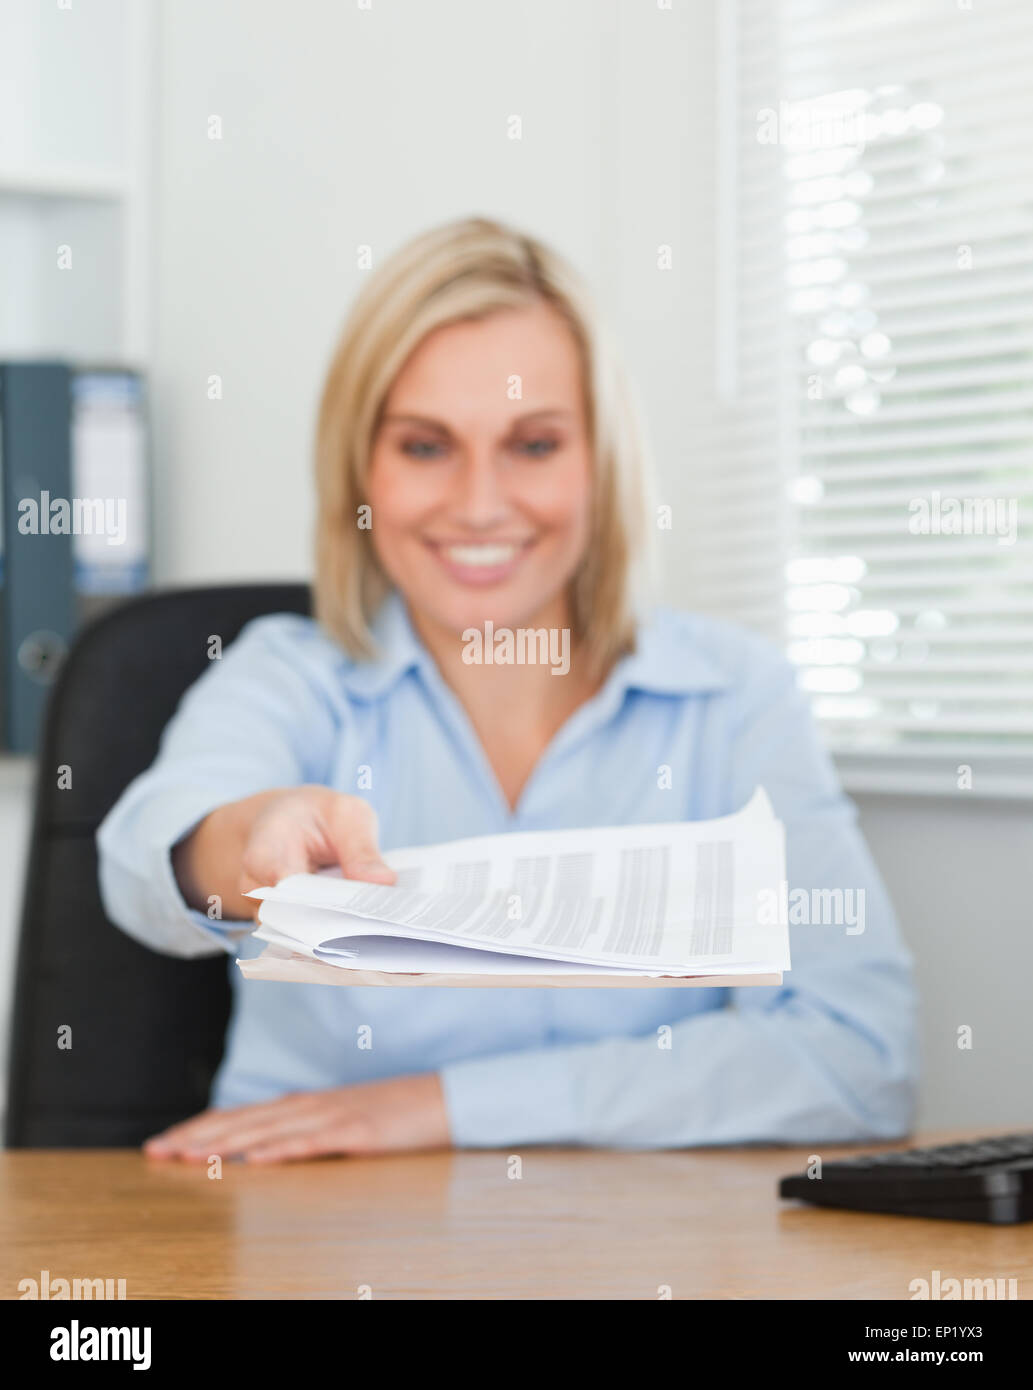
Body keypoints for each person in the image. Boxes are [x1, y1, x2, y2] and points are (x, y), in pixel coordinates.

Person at [97, 216, 918, 1163]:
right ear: (358, 466)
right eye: (425, 446)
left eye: (533, 445)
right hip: (323, 1243)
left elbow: (859, 1058)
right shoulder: (288, 677)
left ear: (601, 463)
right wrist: (241, 845)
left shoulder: (735, 698)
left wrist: (433, 1107)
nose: (480, 504)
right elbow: (136, 860)